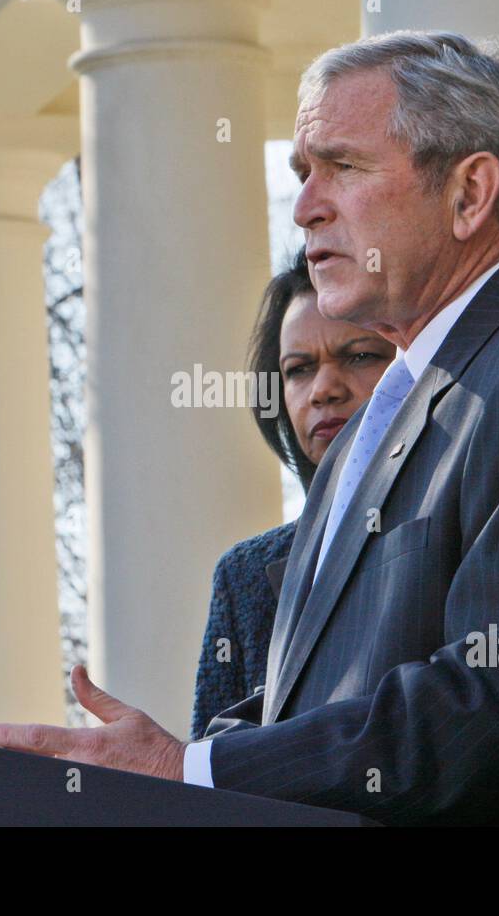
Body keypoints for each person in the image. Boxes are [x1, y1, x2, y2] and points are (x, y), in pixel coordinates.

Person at [0, 30, 499, 826]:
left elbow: (498, 701)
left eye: (342, 166)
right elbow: (319, 702)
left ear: (469, 193)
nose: (305, 207)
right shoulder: (378, 420)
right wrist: (152, 776)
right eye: (301, 172)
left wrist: (196, 768)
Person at [190, 249, 393, 739]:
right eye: (299, 369)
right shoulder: (243, 578)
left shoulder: (466, 514)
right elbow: (209, 784)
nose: (324, 389)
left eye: (360, 356)